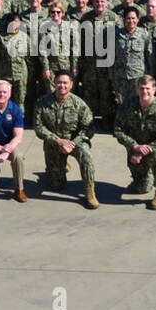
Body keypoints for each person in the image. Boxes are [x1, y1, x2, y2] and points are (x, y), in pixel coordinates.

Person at [34, 71, 99, 208]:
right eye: (59, 82)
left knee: (86, 156)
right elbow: (39, 128)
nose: (61, 85)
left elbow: (89, 127)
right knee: (56, 186)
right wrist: (58, 141)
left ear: (71, 85)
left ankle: (90, 191)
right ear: (54, 83)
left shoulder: (78, 104)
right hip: (54, 144)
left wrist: (73, 143)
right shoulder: (42, 102)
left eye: (65, 83)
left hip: (75, 142)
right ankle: (61, 166)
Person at [114, 75, 156, 209]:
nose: (144, 92)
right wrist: (134, 146)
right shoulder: (127, 105)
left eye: (148, 88)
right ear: (137, 89)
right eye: (141, 88)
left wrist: (142, 152)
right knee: (141, 189)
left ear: (154, 90)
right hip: (136, 146)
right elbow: (118, 130)